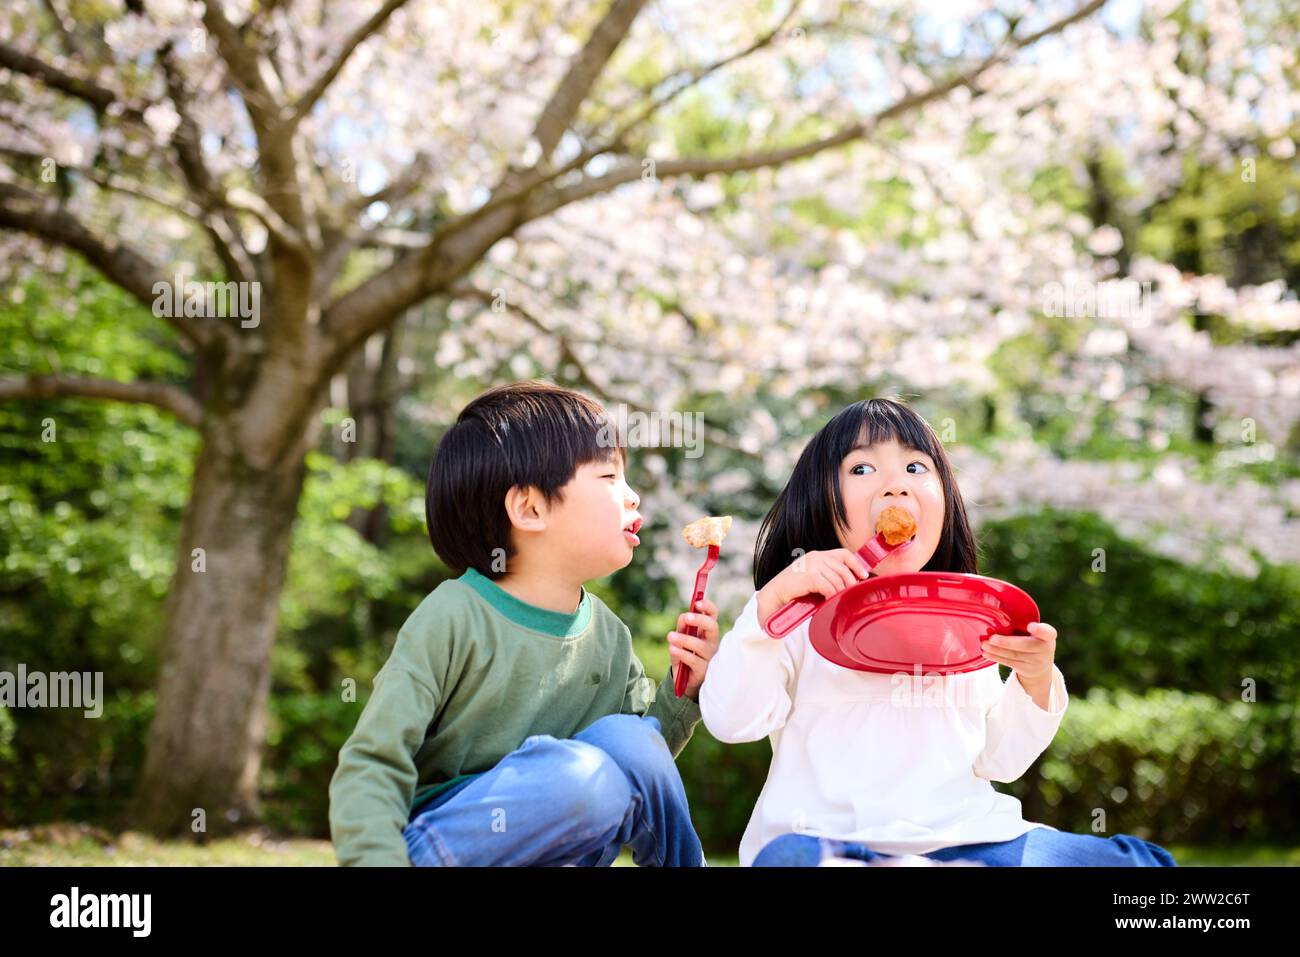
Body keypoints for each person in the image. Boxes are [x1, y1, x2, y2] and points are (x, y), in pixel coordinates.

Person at [699, 396, 1176, 868]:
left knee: (1137, 862)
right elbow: (731, 721)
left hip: (973, 837)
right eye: (861, 470)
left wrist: (1035, 678)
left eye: (915, 468)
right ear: (820, 503)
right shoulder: (797, 615)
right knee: (788, 859)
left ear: (946, 500)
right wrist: (766, 608)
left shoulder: (967, 616)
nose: (894, 488)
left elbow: (999, 761)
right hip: (831, 840)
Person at [329, 380, 720, 866]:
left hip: (565, 845)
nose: (634, 496)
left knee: (629, 742)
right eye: (610, 478)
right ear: (530, 508)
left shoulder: (610, 637)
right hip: (445, 849)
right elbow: (373, 764)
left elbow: (643, 773)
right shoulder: (454, 617)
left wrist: (687, 687)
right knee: (583, 780)